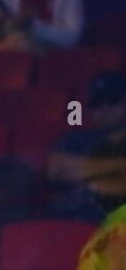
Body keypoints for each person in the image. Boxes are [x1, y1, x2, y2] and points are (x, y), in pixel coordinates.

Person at [48, 71, 126, 223]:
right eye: (96, 104)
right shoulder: (75, 138)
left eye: (112, 100)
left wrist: (81, 168)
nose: (104, 109)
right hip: (73, 218)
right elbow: (55, 171)